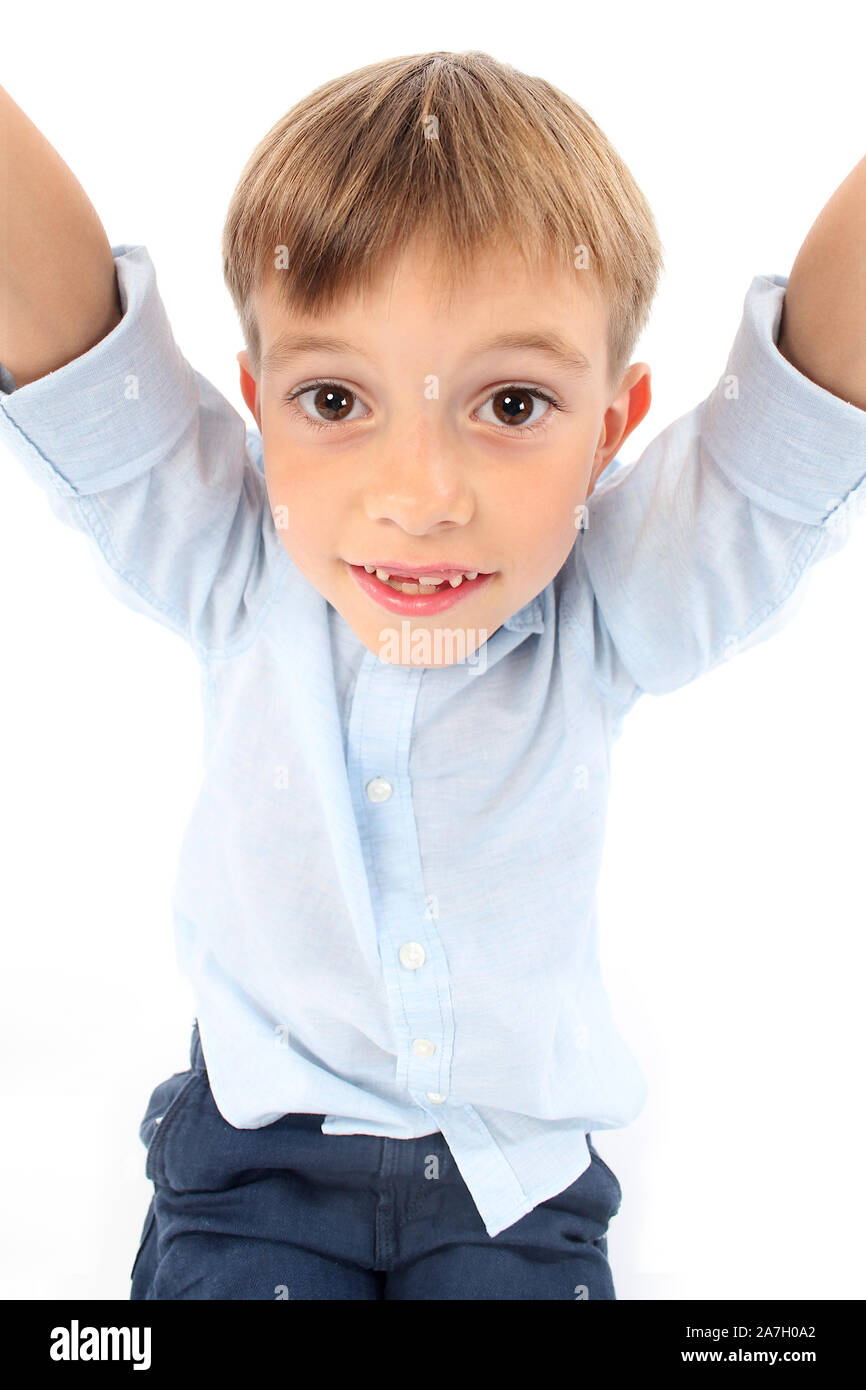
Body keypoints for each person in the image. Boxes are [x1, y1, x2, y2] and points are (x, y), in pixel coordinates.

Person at [1, 51, 864, 1301]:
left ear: (609, 430)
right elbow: (66, 332)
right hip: (255, 1165)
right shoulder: (231, 560)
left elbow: (804, 408)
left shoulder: (617, 602)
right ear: (257, 403)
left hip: (510, 1185)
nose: (419, 499)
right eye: (334, 397)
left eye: (510, 404)